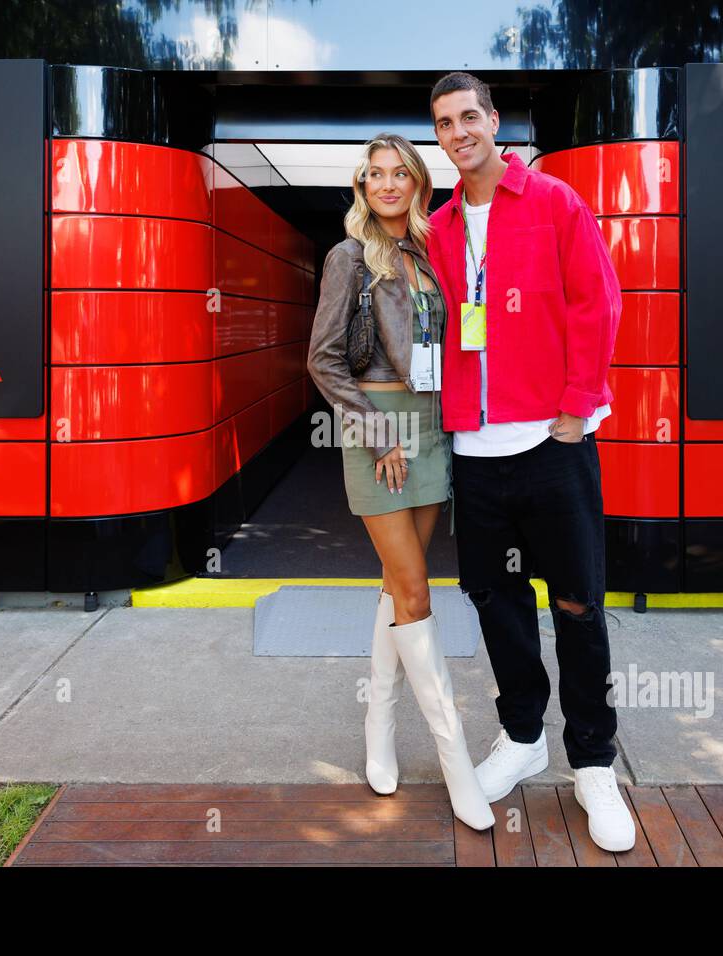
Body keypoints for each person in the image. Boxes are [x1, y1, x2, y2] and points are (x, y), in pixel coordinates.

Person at [425, 72, 636, 851]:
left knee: (577, 603)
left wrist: (579, 408)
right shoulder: (441, 225)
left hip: (553, 444)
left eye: (468, 116)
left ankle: (593, 763)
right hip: (476, 452)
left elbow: (597, 301)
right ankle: (522, 737)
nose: (458, 132)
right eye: (444, 123)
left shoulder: (551, 201)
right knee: (494, 598)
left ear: (494, 121)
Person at [306, 133, 494, 831]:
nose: (387, 185)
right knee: (416, 591)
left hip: (432, 425)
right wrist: (375, 431)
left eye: (400, 174)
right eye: (375, 174)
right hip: (378, 427)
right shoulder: (348, 257)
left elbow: (461, 336)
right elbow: (324, 361)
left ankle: (377, 730)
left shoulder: (434, 253)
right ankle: (456, 763)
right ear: (364, 185)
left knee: (396, 584)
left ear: (419, 183)